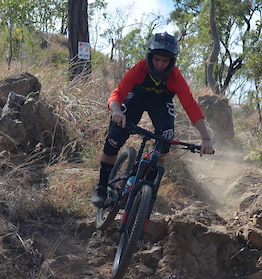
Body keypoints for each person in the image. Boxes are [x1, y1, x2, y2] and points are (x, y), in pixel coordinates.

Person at [91, 32, 215, 207]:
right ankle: (102, 187)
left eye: (165, 61)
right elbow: (118, 93)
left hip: (161, 103)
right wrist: (116, 110)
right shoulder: (140, 68)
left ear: (171, 61)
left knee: (166, 138)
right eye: (157, 59)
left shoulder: (175, 77)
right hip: (136, 99)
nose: (160, 64)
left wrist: (206, 138)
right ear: (150, 57)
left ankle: (146, 187)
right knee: (114, 138)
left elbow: (190, 106)